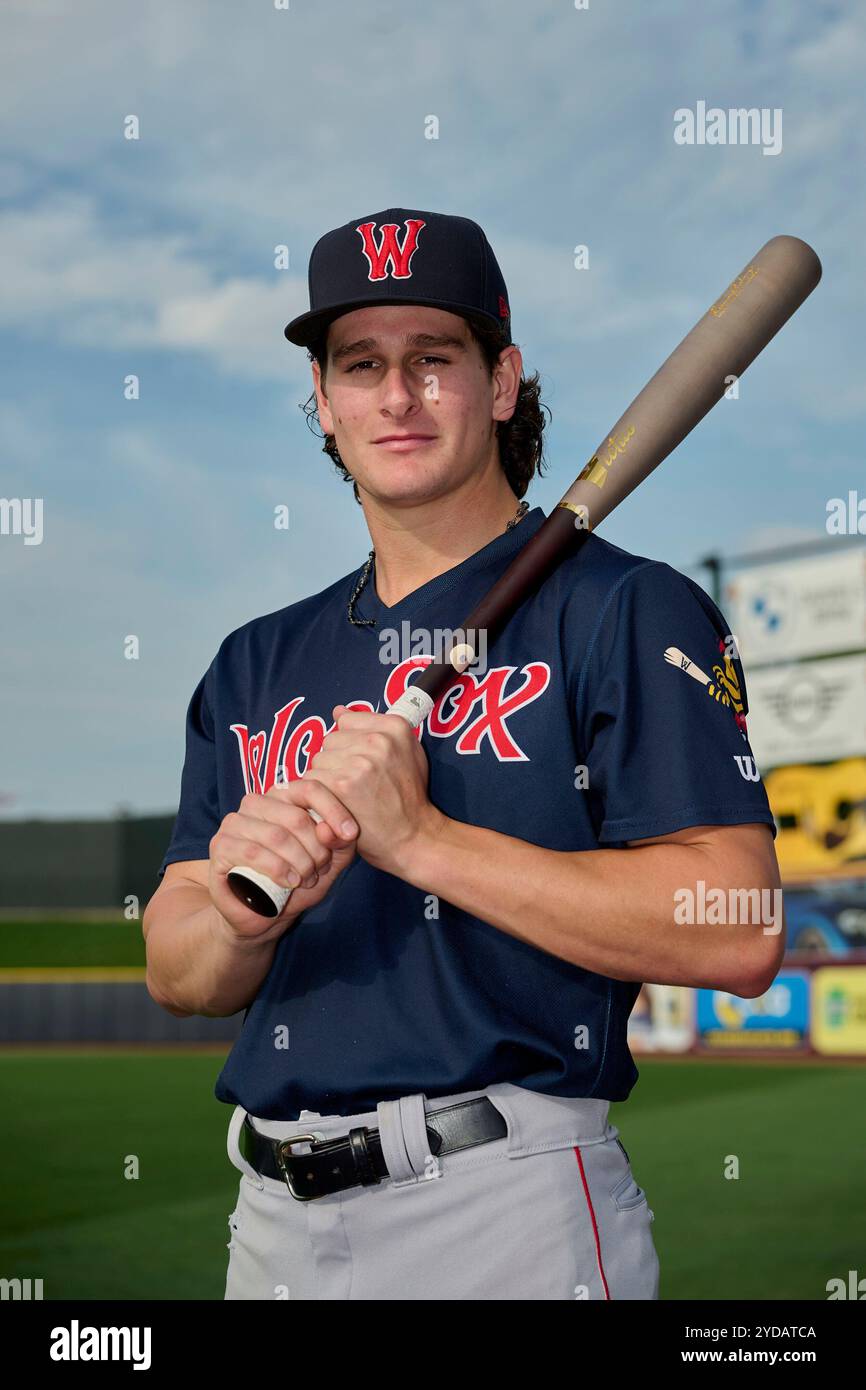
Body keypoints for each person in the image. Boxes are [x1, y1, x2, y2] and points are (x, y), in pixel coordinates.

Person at [143, 207, 783, 1301]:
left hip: (500, 1207)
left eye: (433, 359)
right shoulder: (254, 660)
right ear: (323, 402)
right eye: (361, 364)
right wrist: (246, 924)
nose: (396, 396)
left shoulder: (621, 608)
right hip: (268, 1223)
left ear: (499, 382)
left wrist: (423, 841)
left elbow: (736, 923)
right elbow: (176, 963)